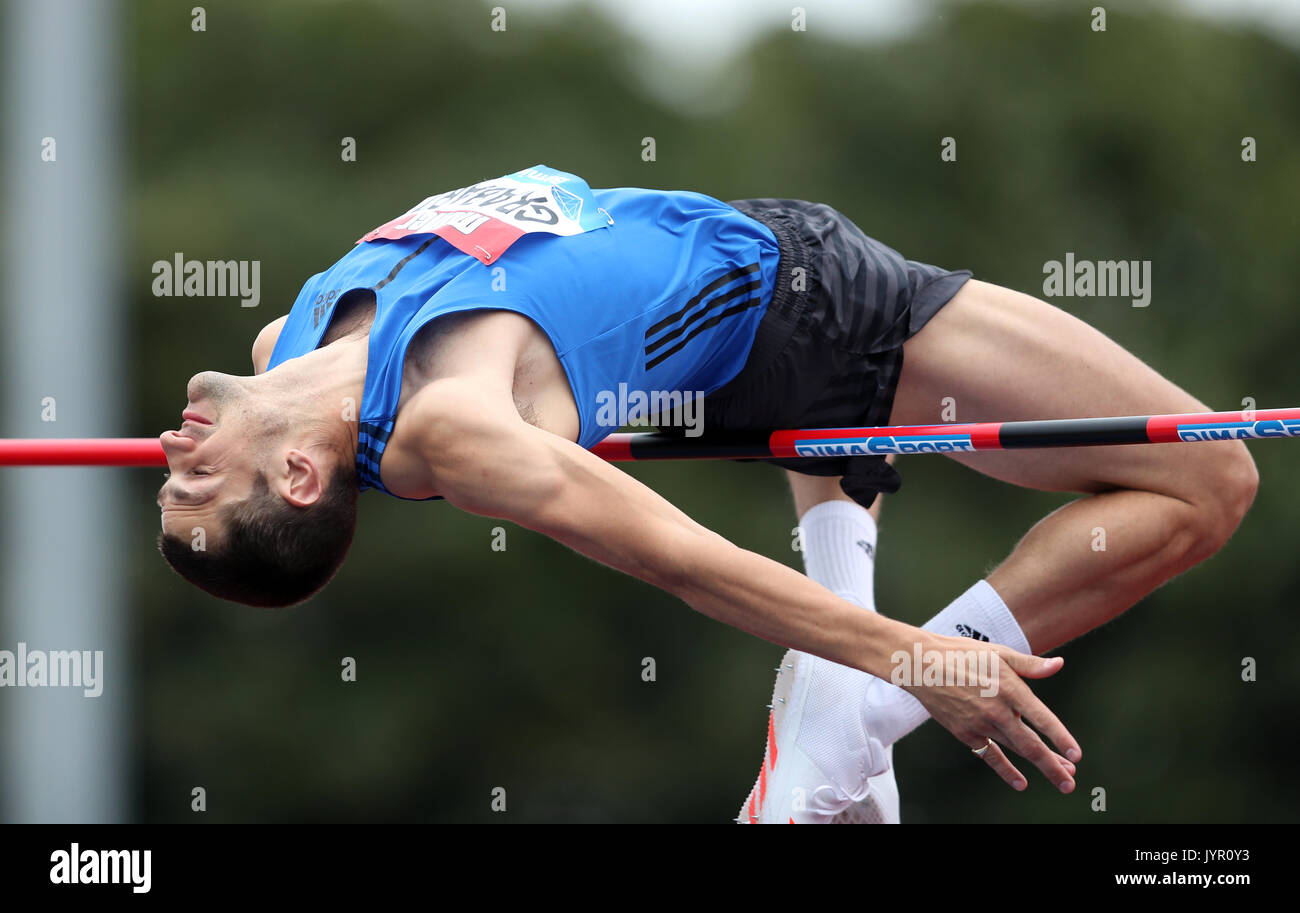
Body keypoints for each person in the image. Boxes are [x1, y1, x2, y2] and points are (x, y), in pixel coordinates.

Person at [154, 166, 1256, 821]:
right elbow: (675, 557)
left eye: (169, 481)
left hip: (738, 316)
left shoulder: (288, 339)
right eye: (196, 478)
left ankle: (843, 714)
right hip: (803, 299)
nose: (170, 449)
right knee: (1210, 473)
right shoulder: (449, 419)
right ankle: (864, 706)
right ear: (298, 475)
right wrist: (910, 660)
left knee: (844, 448)